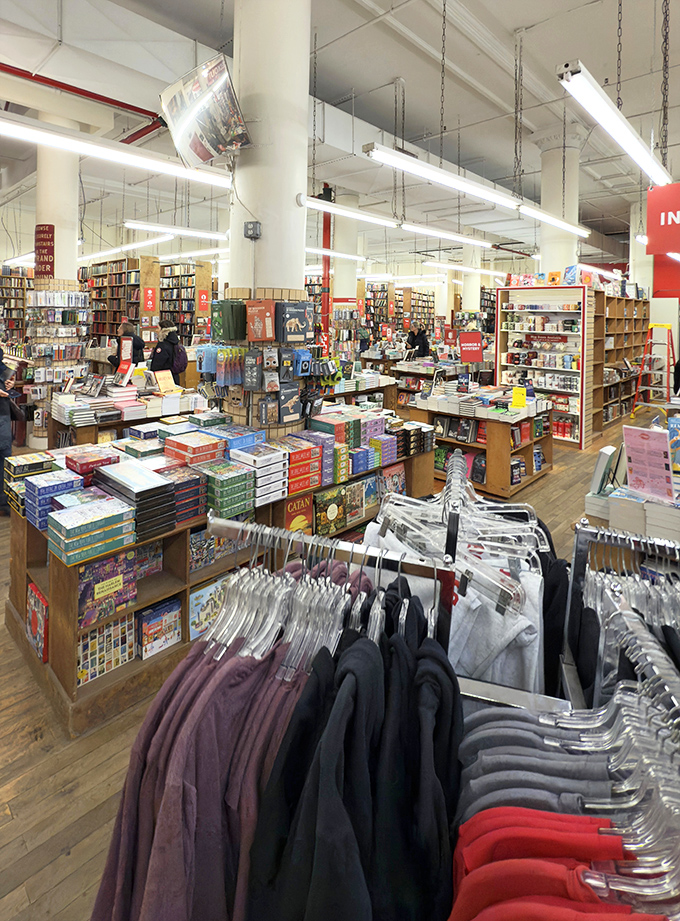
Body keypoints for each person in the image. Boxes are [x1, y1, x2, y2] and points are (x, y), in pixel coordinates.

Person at [0, 361, 16, 517]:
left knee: (5, 459)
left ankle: (5, 501)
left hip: (3, 415)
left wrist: (10, 382)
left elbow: (5, 374)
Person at [150, 320, 182, 385]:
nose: (156, 330)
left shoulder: (162, 345)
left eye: (158, 328)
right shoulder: (176, 343)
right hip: (174, 377)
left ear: (163, 330)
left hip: (163, 378)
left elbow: (157, 364)